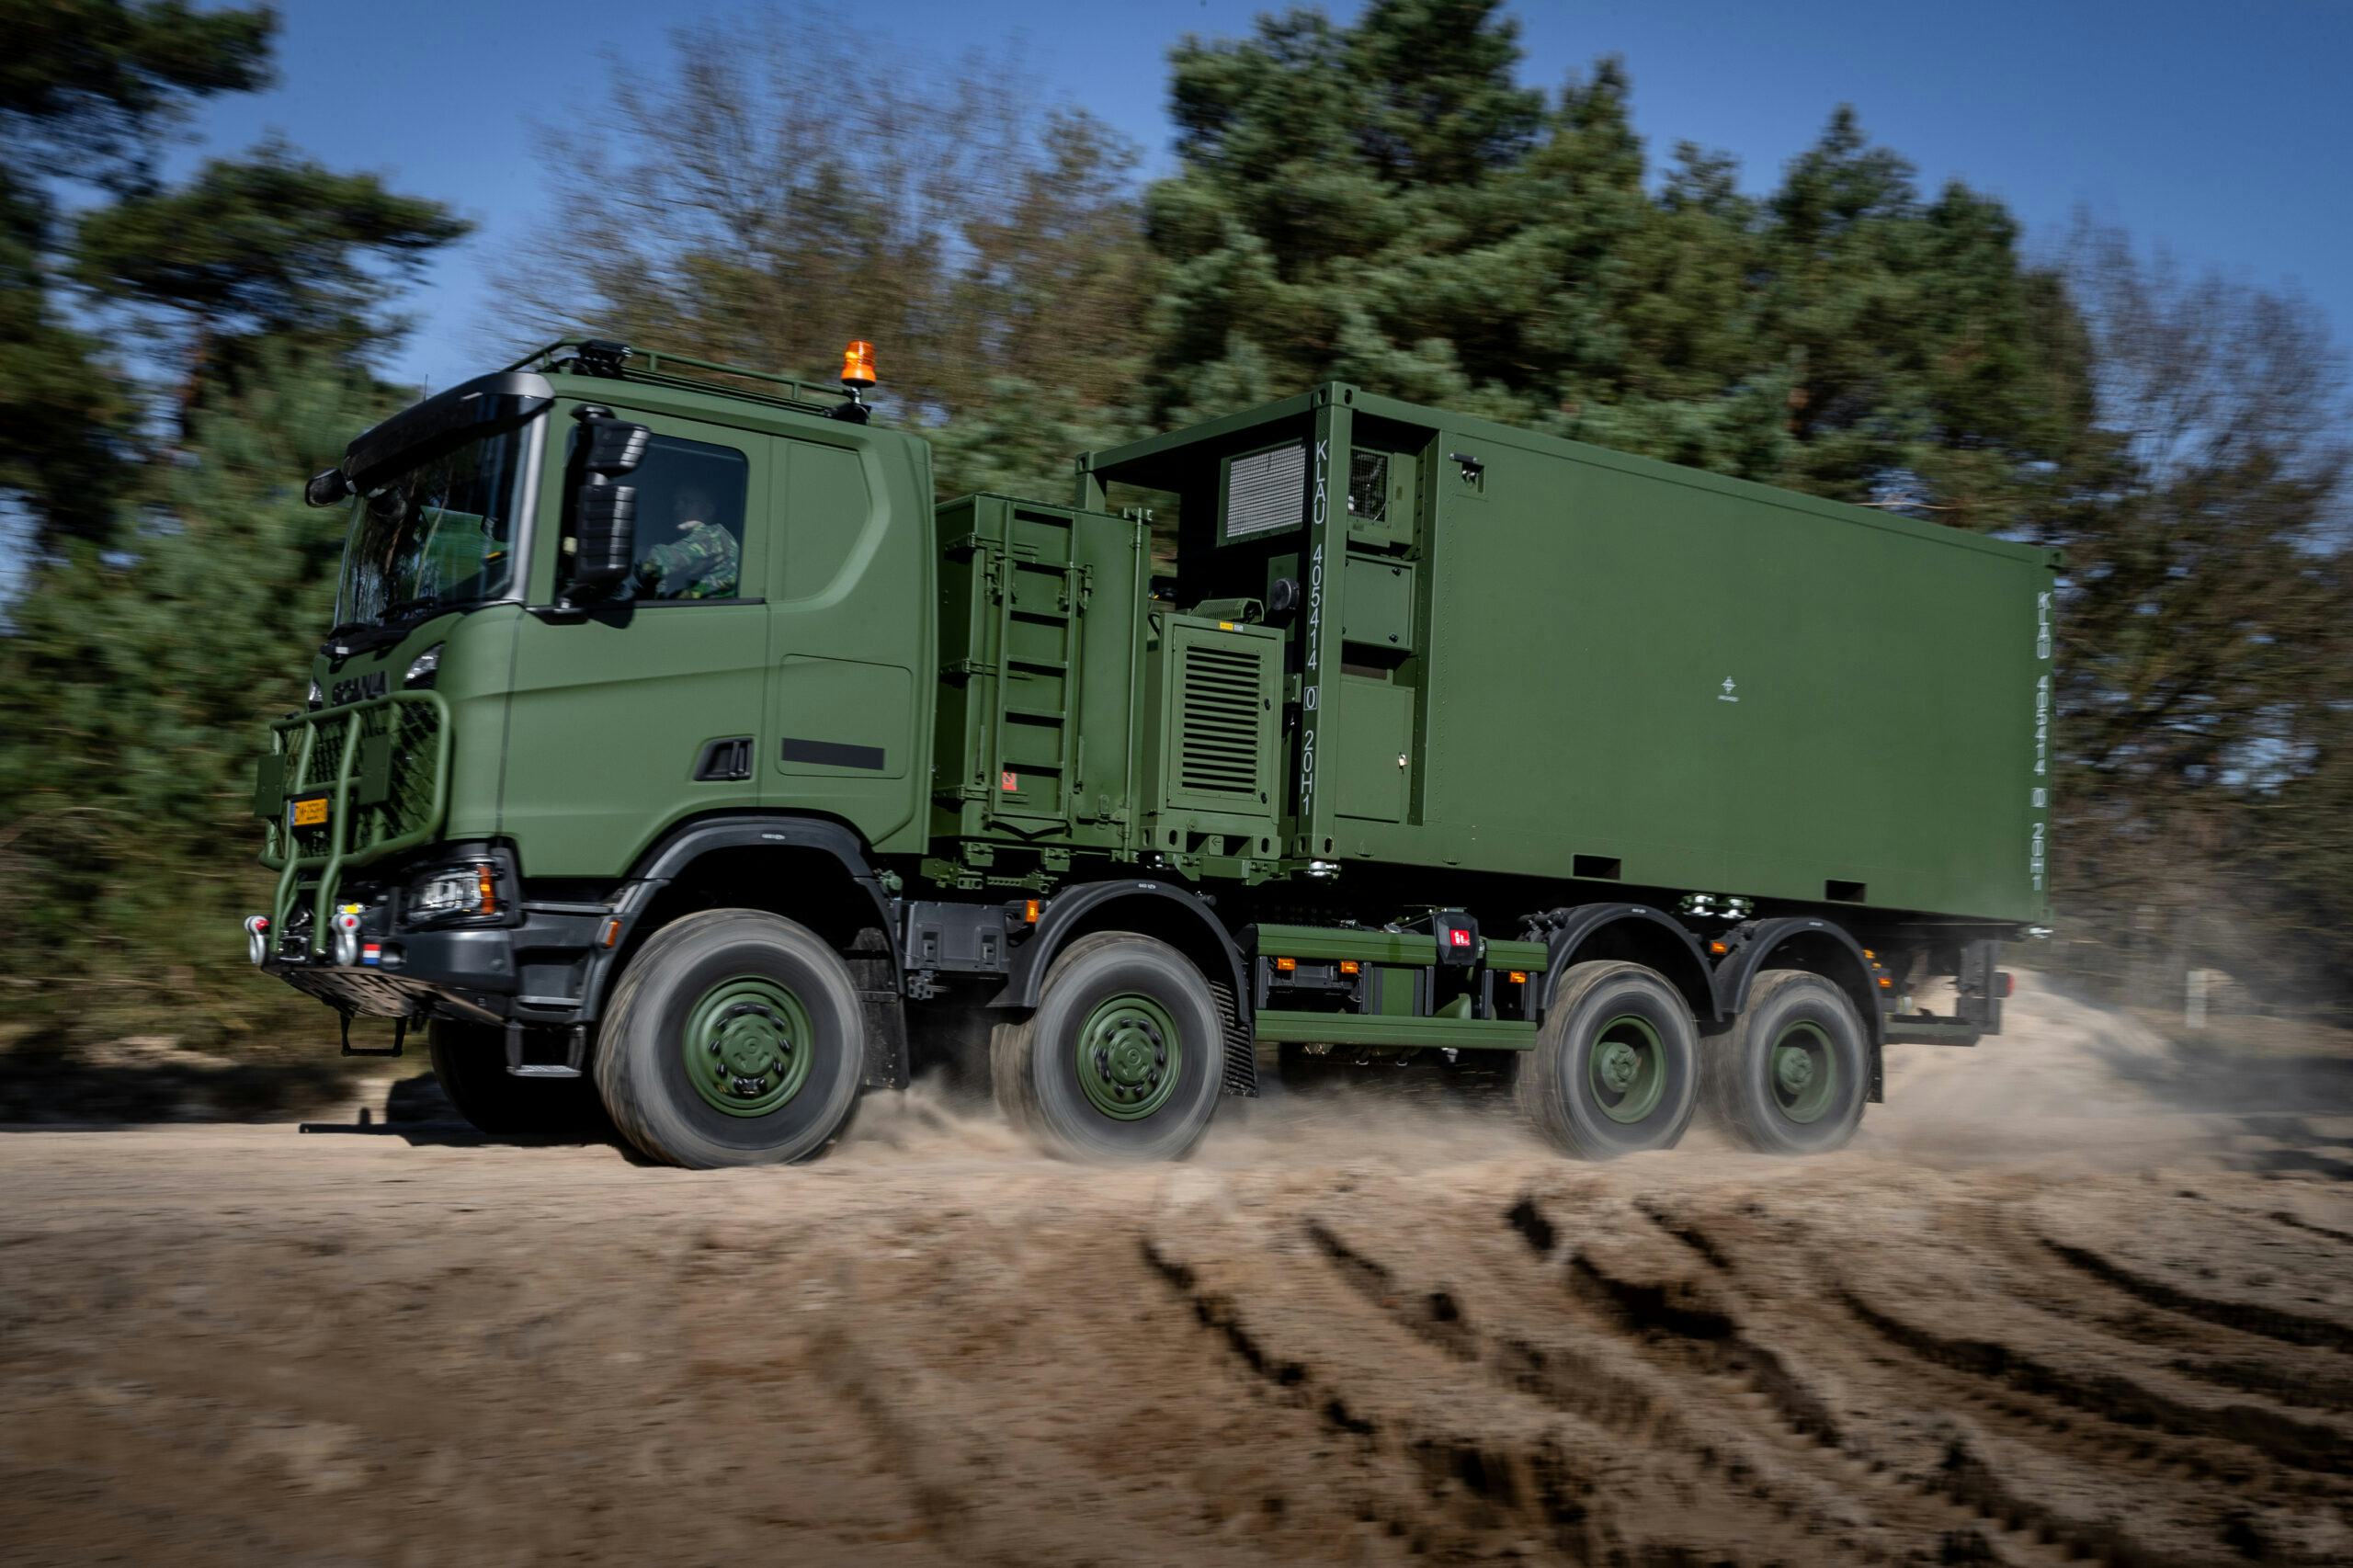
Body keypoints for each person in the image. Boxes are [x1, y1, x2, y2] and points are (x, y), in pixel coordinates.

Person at [633, 483, 740, 599]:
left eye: (687, 502)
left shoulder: (715, 536)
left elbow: (660, 561)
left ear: (709, 510)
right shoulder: (688, 541)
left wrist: (633, 553)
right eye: (676, 502)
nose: (677, 508)